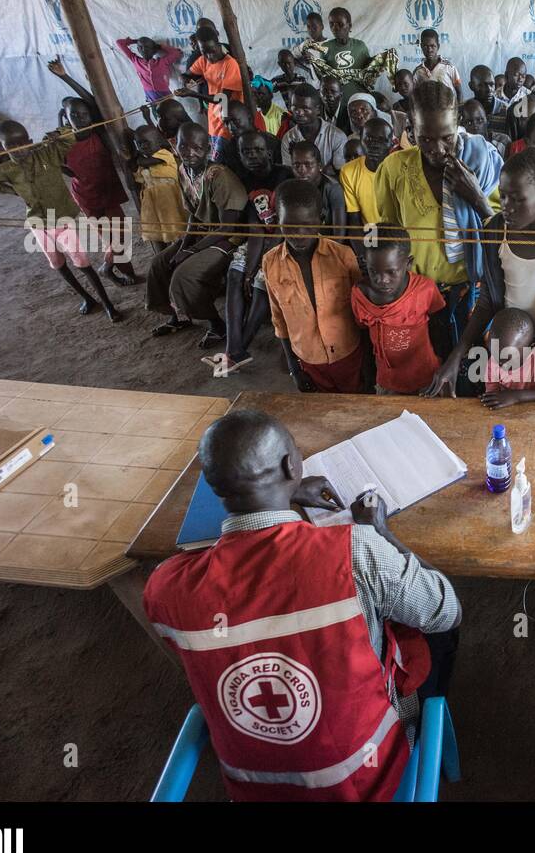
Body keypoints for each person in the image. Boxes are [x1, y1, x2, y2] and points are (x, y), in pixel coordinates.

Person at [143, 408, 461, 802]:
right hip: (367, 782)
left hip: (259, 793)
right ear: (292, 464)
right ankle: (428, 716)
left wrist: (280, 491)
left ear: (211, 485)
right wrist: (380, 532)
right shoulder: (354, 550)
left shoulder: (167, 587)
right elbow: (445, 608)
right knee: (437, 632)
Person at [425, 147, 535, 400]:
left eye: (517, 199)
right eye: (502, 197)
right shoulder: (494, 229)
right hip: (507, 344)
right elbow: (488, 299)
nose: (506, 207)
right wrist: (456, 357)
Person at [374, 80, 502, 359]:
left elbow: (503, 232)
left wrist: (476, 196)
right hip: (420, 293)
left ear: (458, 124)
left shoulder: (484, 162)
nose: (439, 149)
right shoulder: (394, 169)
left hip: (475, 294)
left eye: (447, 137)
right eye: (426, 139)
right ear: (411, 130)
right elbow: (385, 231)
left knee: (472, 368)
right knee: (430, 362)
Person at [0, 121, 122, 321]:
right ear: (2, 146)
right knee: (57, 263)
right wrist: (15, 191)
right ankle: (87, 298)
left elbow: (70, 135)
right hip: (38, 223)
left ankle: (109, 305)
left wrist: (53, 136)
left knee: (83, 264)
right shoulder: (5, 169)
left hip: (63, 219)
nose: (17, 149)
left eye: (22, 143)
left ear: (30, 141)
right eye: (10, 146)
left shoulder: (47, 153)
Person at [146, 122, 247, 346]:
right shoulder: (183, 171)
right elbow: (193, 214)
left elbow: (228, 228)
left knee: (185, 275)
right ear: (175, 146)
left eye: (197, 148)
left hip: (228, 239)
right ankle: (176, 316)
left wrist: (191, 251)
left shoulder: (219, 177)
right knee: (160, 264)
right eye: (184, 146)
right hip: (204, 235)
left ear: (208, 149)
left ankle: (217, 325)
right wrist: (183, 247)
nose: (190, 153)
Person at [204, 130, 294, 374]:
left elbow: (283, 228)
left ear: (269, 152)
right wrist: (250, 268)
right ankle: (234, 346)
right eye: (246, 152)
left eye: (257, 150)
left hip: (285, 242)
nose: (252, 156)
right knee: (236, 274)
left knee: (262, 282)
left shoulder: (284, 175)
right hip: (259, 241)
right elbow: (255, 228)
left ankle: (239, 348)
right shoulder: (245, 180)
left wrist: (259, 267)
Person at [264, 179, 366, 393]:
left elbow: (363, 313)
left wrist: (369, 362)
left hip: (350, 356)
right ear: (278, 221)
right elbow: (279, 319)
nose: (299, 234)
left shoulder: (343, 256)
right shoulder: (270, 264)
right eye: (289, 225)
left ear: (320, 220)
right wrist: (294, 368)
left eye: (307, 225)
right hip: (309, 361)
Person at [46, 58, 133, 285]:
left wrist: (65, 77)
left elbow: (93, 102)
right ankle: (121, 271)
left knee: (121, 235)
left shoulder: (99, 133)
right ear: (66, 118)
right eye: (74, 115)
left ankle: (111, 267)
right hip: (87, 196)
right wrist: (73, 173)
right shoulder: (63, 142)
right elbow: (55, 164)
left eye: (84, 115)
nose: (81, 119)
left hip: (108, 191)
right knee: (110, 237)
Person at [351, 227, 445, 395]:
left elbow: (439, 327)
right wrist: (368, 374)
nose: (382, 280)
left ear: (408, 263)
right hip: (388, 381)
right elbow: (363, 336)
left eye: (391, 272)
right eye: (373, 271)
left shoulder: (425, 289)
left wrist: (441, 362)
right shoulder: (360, 294)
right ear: (366, 263)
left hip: (426, 377)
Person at [176, 25, 246, 157]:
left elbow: (223, 99)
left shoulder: (230, 64)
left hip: (228, 120)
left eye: (212, 50)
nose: (209, 56)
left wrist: (193, 94)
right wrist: (184, 80)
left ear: (218, 44)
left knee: (219, 160)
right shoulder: (203, 61)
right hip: (213, 121)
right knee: (217, 159)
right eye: (204, 51)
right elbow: (186, 75)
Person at [340, 115, 394, 263]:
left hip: (398, 229)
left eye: (382, 140)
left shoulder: (400, 168)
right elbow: (355, 219)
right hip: (371, 229)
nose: (374, 145)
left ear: (392, 143)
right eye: (369, 139)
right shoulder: (349, 171)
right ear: (361, 140)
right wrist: (364, 255)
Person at [131, 123, 186, 247]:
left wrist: (135, 156)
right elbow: (138, 178)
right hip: (155, 203)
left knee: (177, 224)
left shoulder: (164, 154)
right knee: (163, 228)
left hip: (170, 198)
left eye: (146, 142)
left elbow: (143, 161)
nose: (143, 147)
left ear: (158, 141)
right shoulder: (143, 164)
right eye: (139, 144)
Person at [281, 83, 349, 174]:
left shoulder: (337, 137)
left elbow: (340, 174)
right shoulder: (288, 138)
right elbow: (290, 173)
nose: (299, 112)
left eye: (305, 108)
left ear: (318, 110)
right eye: (295, 107)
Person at [287, 140, 346, 238]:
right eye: (296, 165)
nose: (302, 170)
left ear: (319, 166)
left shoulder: (333, 189)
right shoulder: (290, 188)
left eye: (308, 165)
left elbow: (339, 234)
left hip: (328, 244)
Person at [323, 7, 373, 103]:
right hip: (337, 103)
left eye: (340, 24)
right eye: (331, 24)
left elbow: (369, 76)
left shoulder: (360, 47)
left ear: (349, 26)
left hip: (359, 103)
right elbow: (324, 81)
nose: (335, 28)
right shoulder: (325, 48)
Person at [115, 35, 182, 106]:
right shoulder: (135, 60)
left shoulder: (163, 62)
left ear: (154, 50)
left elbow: (176, 53)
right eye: (140, 47)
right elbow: (119, 42)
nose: (143, 49)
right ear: (138, 49)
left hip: (165, 95)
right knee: (157, 114)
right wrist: (135, 41)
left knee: (171, 112)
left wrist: (160, 46)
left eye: (147, 47)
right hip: (151, 97)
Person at [412, 29, 462, 100]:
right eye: (425, 46)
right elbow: (414, 95)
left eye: (433, 46)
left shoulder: (449, 67)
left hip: (448, 110)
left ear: (438, 46)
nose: (429, 50)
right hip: (427, 110)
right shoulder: (417, 72)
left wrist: (458, 110)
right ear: (421, 46)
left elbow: (459, 92)